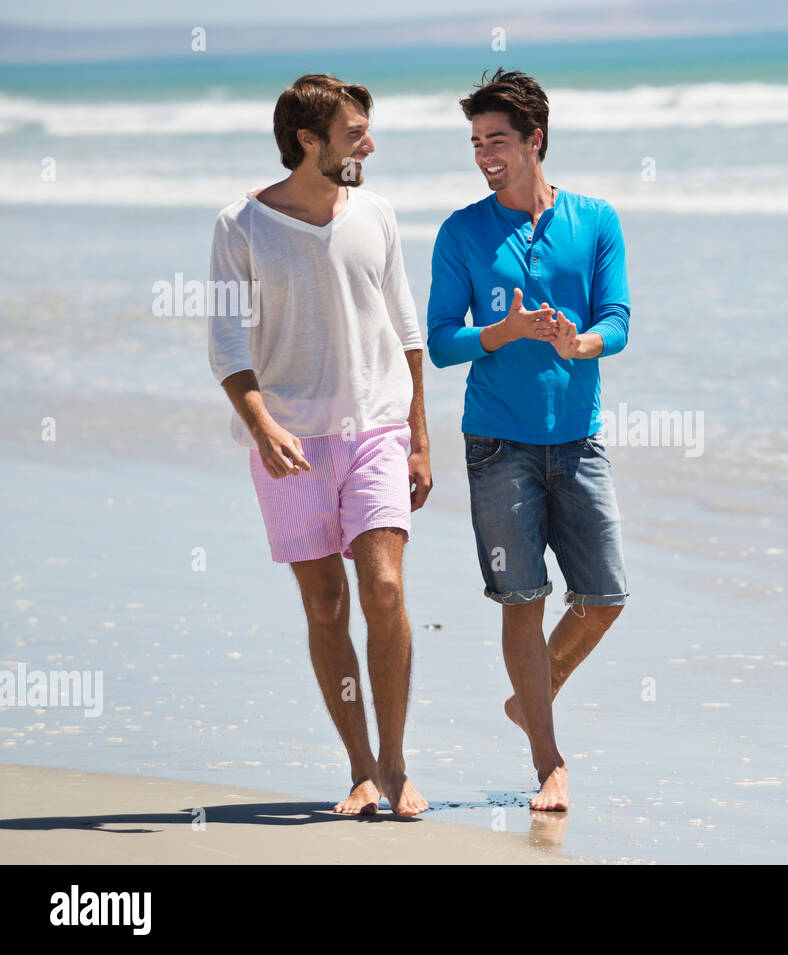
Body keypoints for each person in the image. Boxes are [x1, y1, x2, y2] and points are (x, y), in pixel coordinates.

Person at [207, 74, 430, 818]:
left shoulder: (379, 214)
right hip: (291, 442)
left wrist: (420, 438)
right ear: (309, 141)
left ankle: (397, 766)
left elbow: (407, 330)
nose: (369, 144)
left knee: (386, 589)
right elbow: (227, 345)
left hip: (376, 428)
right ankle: (361, 766)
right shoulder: (241, 225)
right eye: (355, 131)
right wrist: (264, 425)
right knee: (328, 605)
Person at [427, 68, 631, 812]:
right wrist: (504, 331)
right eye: (477, 142)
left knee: (604, 596)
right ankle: (549, 763)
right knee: (523, 598)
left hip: (578, 440)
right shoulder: (462, 231)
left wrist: (582, 347)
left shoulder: (596, 218)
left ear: (534, 140)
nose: (485, 154)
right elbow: (443, 342)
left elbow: (619, 319)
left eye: (499, 141)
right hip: (497, 446)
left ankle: (531, 695)